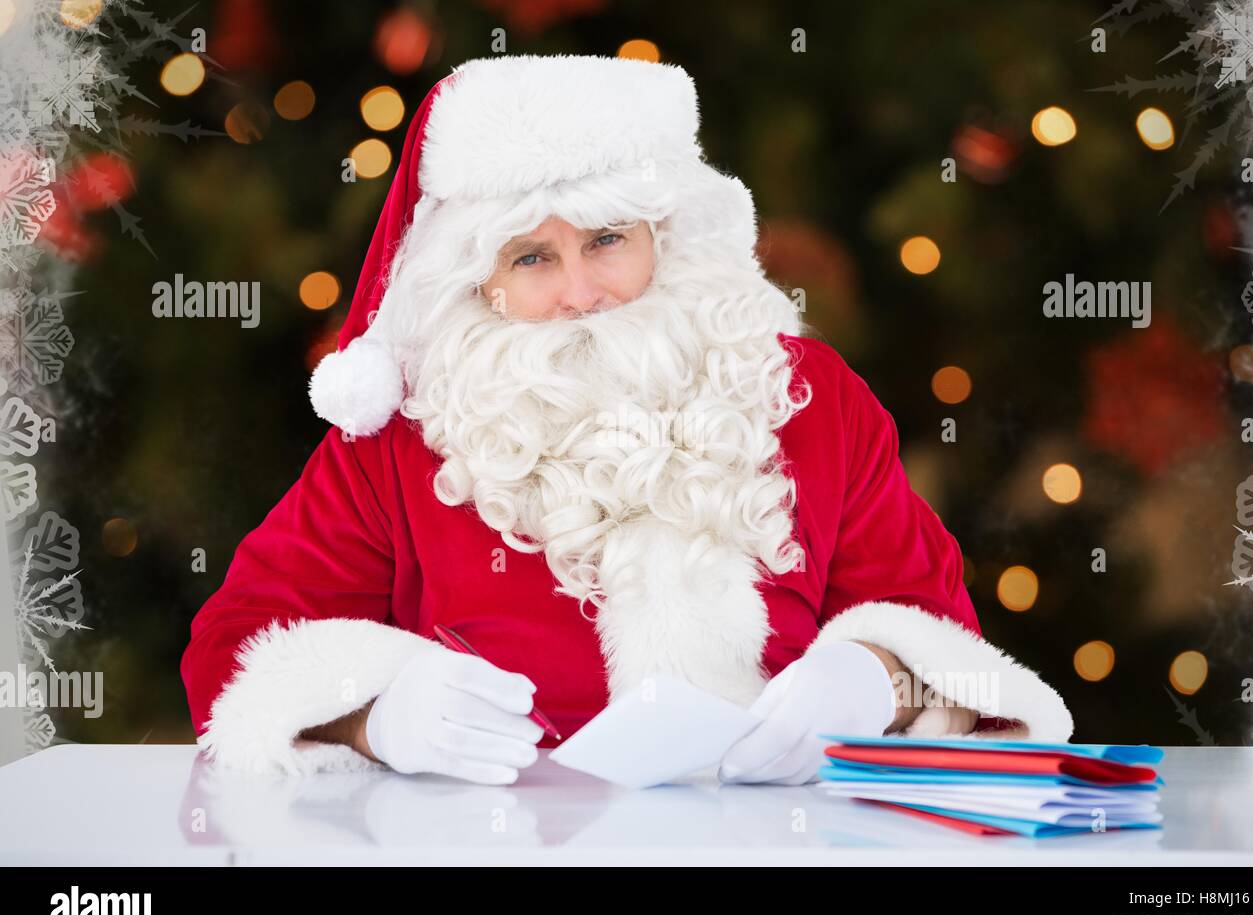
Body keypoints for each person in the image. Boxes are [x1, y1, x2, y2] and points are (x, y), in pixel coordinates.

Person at [181, 54, 1073, 786]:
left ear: (664, 232)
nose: (581, 293)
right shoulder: (400, 439)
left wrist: (877, 677)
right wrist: (374, 714)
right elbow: (238, 644)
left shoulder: (808, 396)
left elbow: (939, 630)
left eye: (608, 239)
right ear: (477, 279)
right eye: (533, 257)